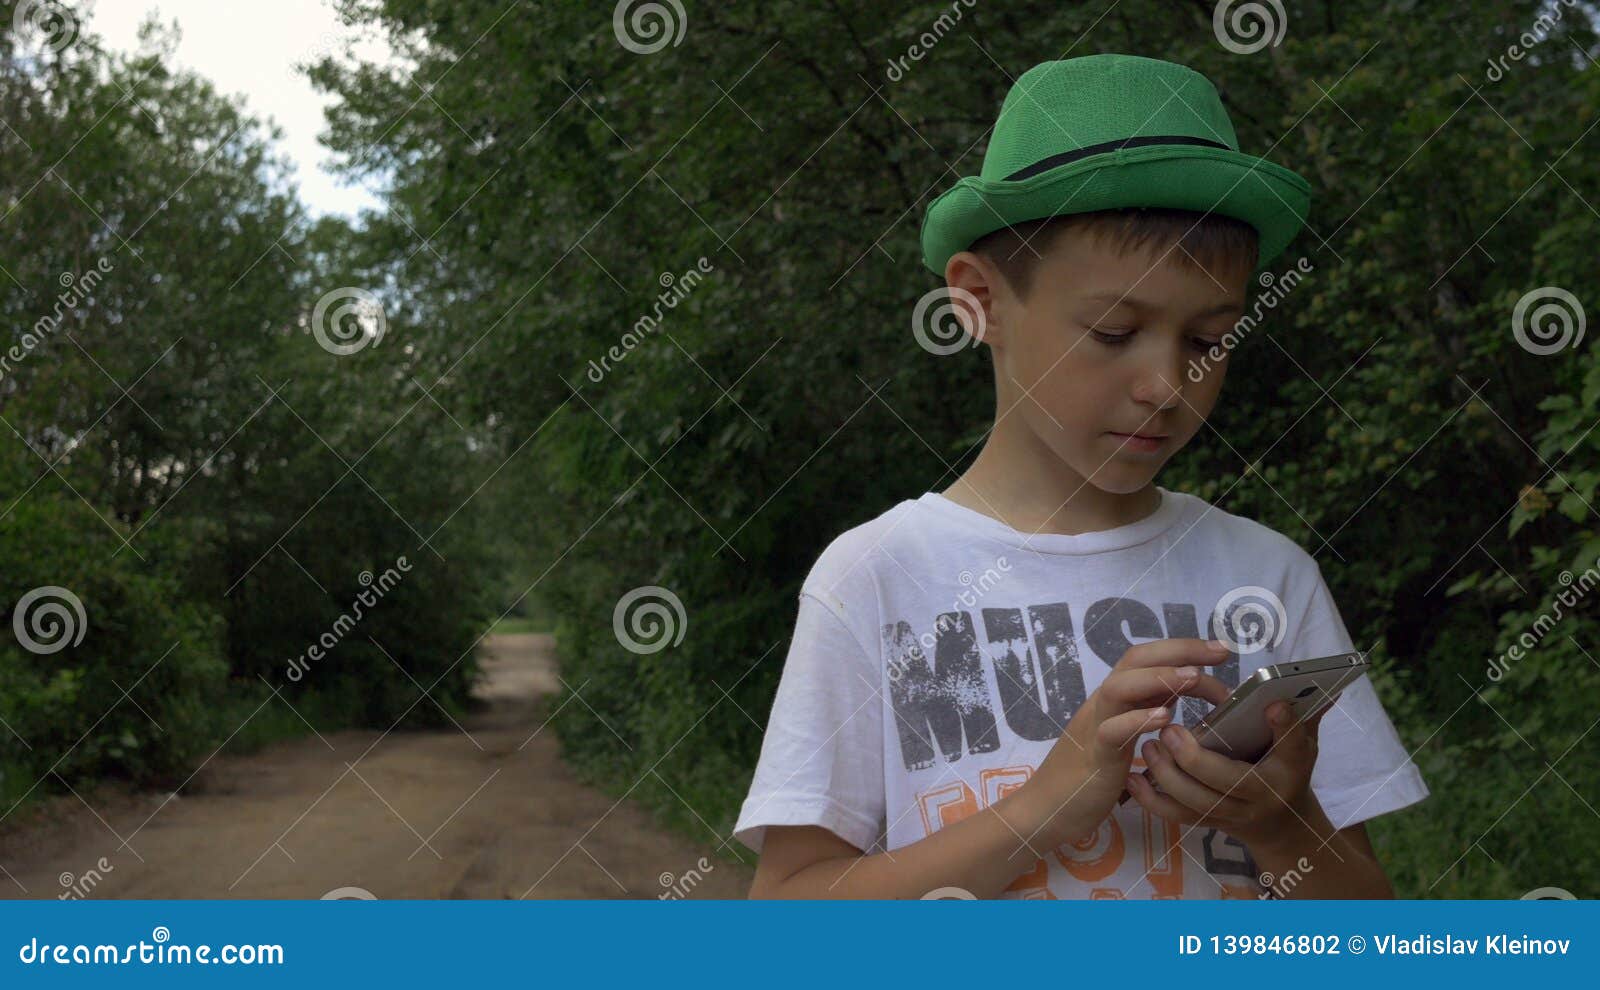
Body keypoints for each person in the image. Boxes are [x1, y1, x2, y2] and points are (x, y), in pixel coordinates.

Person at [732, 53, 1428, 899]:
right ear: (979, 300)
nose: (1167, 385)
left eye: (1209, 340)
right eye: (1112, 332)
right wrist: (1045, 810)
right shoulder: (875, 579)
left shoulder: (1270, 578)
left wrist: (1282, 827)